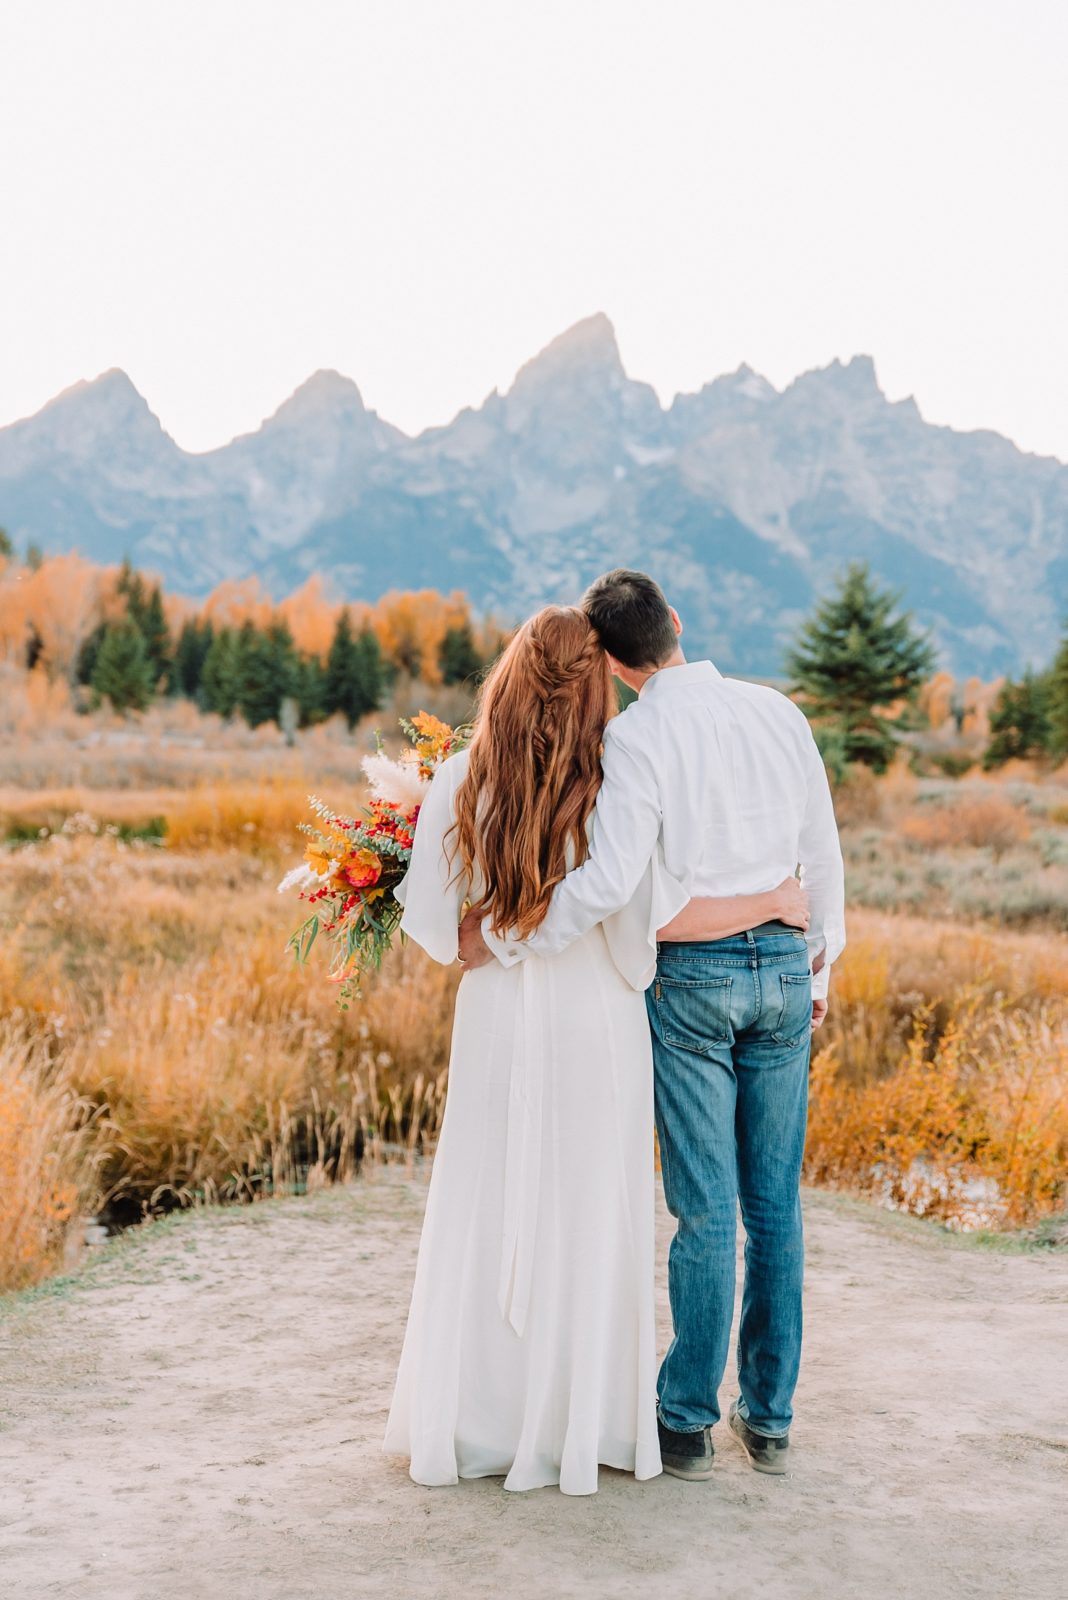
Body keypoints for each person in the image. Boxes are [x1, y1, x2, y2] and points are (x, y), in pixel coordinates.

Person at [382, 604, 810, 1495]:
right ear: (597, 684)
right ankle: (591, 1423)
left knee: (490, 1198)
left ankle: (476, 1418)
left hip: (497, 1014)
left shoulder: (462, 779)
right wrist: (774, 901)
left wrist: (495, 936)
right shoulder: (615, 778)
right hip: (600, 1019)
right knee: (591, 1211)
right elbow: (643, 917)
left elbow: (438, 933)